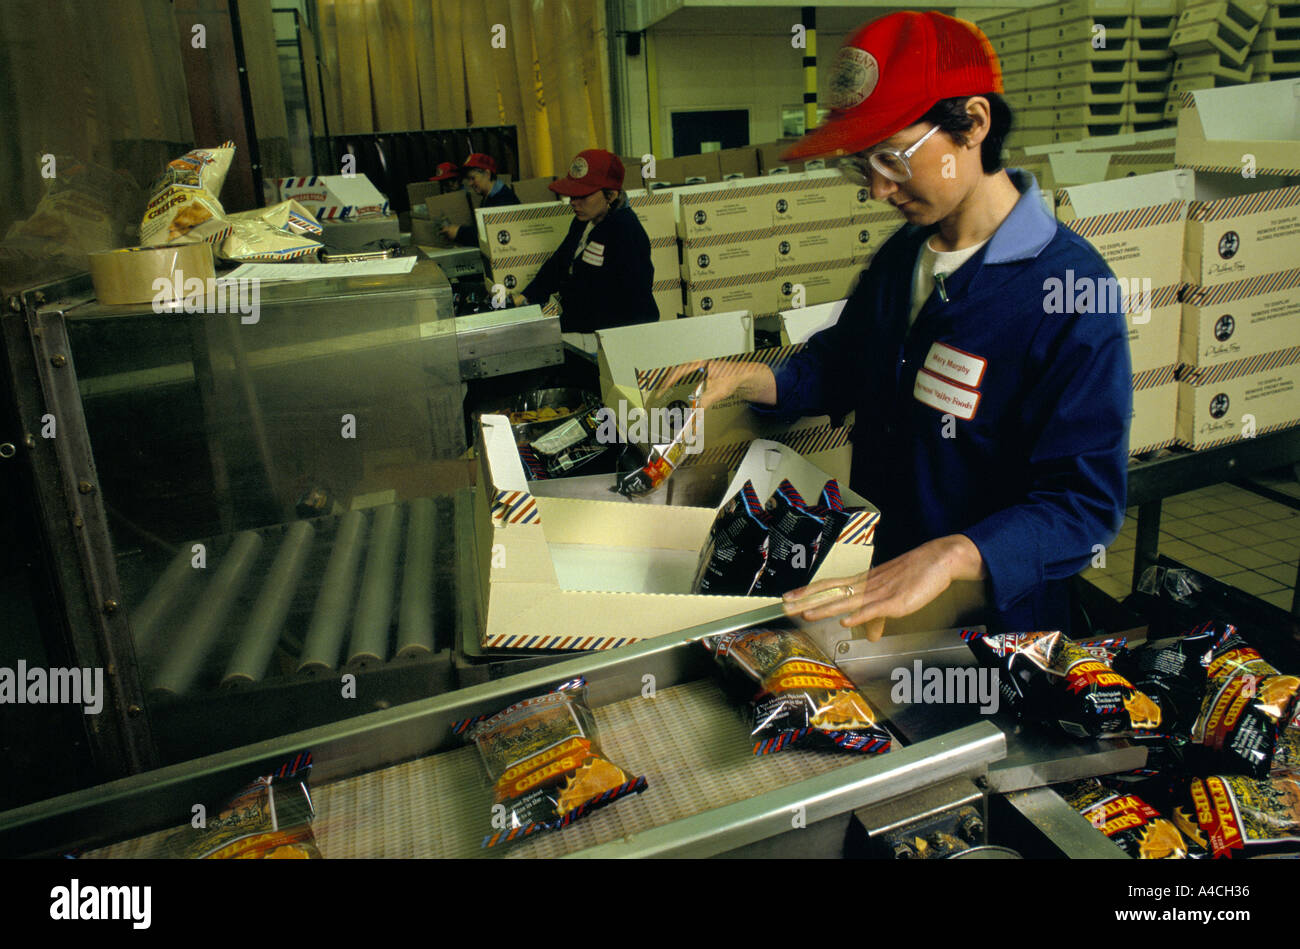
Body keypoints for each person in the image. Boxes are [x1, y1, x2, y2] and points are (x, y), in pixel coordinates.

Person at [689, 12, 1131, 638]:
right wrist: (748, 378)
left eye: (892, 160)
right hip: (876, 581)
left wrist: (957, 554)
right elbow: (843, 364)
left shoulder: (1069, 293)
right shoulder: (904, 256)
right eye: (860, 165)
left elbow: (1083, 505)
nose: (875, 190)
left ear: (973, 124)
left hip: (992, 622)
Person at [510, 149, 658, 333]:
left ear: (610, 196)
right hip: (581, 326)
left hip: (613, 334)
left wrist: (559, 327)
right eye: (572, 195)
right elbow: (559, 264)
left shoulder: (626, 232)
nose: (573, 202)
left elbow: (632, 302)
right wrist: (526, 297)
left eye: (582, 196)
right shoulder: (583, 221)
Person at [439, 153, 520, 247]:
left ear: (487, 174)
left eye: (473, 178)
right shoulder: (488, 197)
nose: (470, 183)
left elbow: (492, 235)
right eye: (468, 179)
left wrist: (459, 232)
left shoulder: (503, 200)